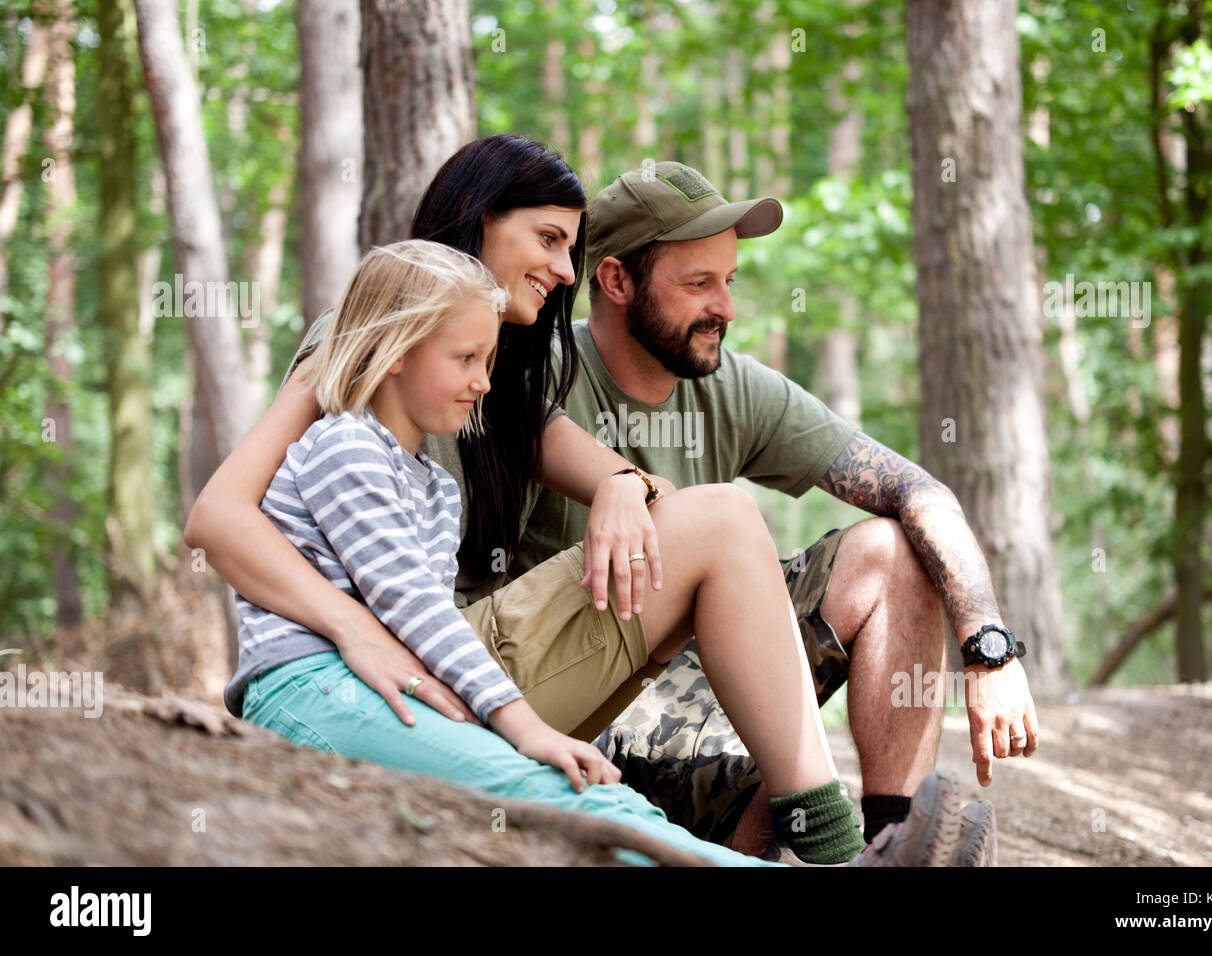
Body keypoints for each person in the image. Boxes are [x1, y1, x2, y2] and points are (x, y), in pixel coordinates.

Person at [189, 137, 907, 866]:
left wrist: (623, 486)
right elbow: (218, 520)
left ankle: (834, 839)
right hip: (399, 663)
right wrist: (352, 630)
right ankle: (839, 853)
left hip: (459, 658)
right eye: (549, 240)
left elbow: (610, 472)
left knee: (718, 519)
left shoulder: (491, 382)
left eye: (573, 248)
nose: (565, 271)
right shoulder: (372, 342)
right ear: (478, 218)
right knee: (721, 520)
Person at [504, 161, 1040, 864]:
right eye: (698, 284)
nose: (725, 306)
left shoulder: (733, 386)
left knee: (891, 551)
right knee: (724, 523)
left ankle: (894, 842)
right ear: (614, 281)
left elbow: (921, 493)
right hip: (578, 715)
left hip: (696, 701)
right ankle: (831, 847)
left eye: (730, 281)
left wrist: (989, 648)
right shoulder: (527, 370)